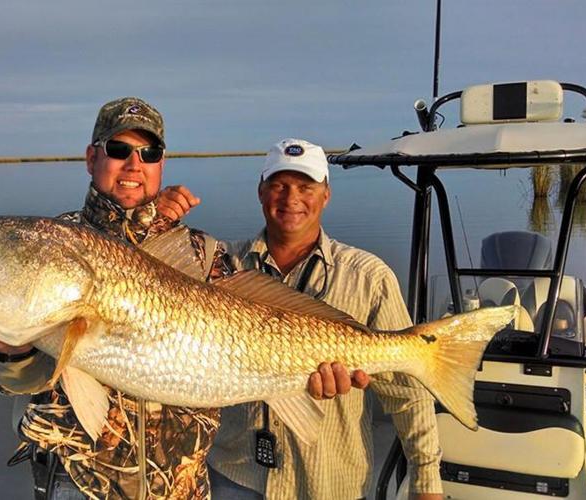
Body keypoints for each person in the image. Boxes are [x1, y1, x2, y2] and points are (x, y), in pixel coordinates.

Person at [0, 97, 233, 499]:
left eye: (149, 153)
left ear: (162, 164)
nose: (133, 164)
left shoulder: (205, 255)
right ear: (91, 158)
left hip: (182, 488)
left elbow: (257, 342)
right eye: (118, 149)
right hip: (78, 485)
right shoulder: (48, 246)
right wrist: (7, 355)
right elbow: (12, 382)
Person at [160, 138, 443, 499]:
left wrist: (426, 481)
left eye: (306, 186)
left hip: (330, 482)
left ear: (326, 194)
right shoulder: (220, 265)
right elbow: (141, 279)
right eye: (278, 185)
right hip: (236, 476)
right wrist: (152, 215)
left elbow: (407, 393)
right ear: (261, 192)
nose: (291, 198)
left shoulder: (369, 277)